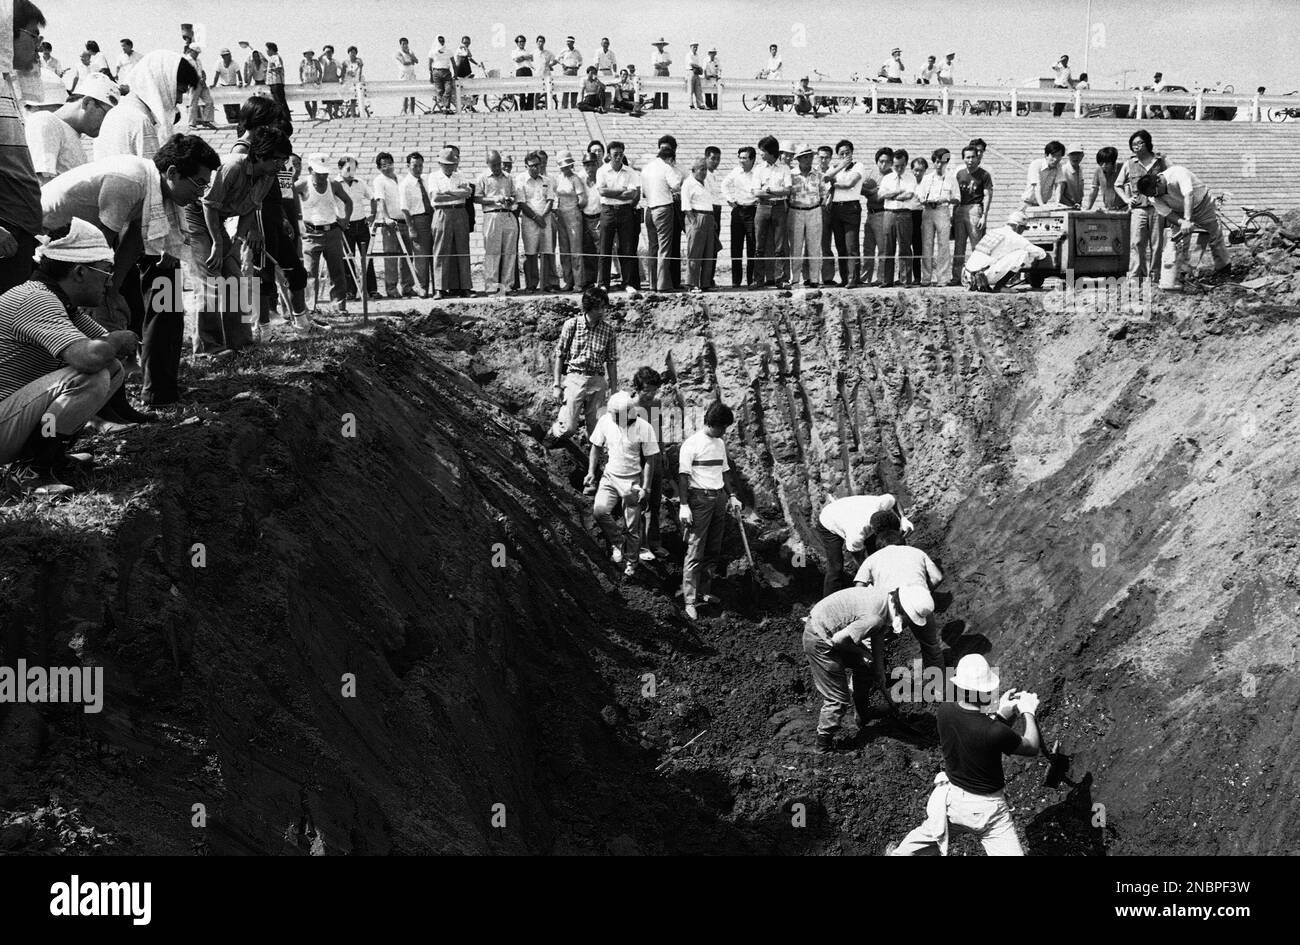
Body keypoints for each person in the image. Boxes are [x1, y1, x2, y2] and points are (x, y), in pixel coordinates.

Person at [40, 134, 219, 410]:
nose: (200, 193)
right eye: (199, 183)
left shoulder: (152, 187)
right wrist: (104, 293)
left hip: (85, 245)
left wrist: (113, 286)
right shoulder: (130, 180)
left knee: (130, 308)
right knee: (104, 320)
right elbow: (100, 245)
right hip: (49, 237)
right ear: (172, 172)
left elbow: (133, 239)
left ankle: (131, 401)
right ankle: (102, 411)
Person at [0, 219, 137, 495]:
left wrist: (116, 343)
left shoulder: (59, 300)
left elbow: (106, 350)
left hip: (9, 418)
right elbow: (89, 358)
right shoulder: (36, 299)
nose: (109, 285)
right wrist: (117, 339)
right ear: (79, 272)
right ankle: (29, 470)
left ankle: (49, 457)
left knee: (111, 368)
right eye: (107, 274)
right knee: (93, 374)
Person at [889, 655, 1040, 856]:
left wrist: (1000, 714)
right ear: (987, 689)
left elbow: (977, 733)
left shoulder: (945, 709)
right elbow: (1031, 747)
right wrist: (1028, 711)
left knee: (925, 838)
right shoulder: (994, 731)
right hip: (989, 812)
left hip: (953, 802)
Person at [186, 125, 291, 353]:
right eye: (278, 160)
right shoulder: (233, 166)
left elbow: (250, 209)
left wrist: (236, 241)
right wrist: (217, 242)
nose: (281, 165)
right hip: (197, 216)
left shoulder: (267, 177)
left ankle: (240, 342)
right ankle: (207, 349)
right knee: (209, 278)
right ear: (261, 155)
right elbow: (208, 205)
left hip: (220, 222)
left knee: (233, 276)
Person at [802, 585, 898, 750]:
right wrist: (861, 653)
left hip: (832, 630)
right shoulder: (874, 617)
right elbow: (839, 640)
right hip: (819, 638)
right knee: (838, 698)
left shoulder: (884, 601)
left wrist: (879, 670)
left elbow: (877, 636)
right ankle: (822, 745)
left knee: (867, 668)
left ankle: (863, 716)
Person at [678, 400, 742, 620]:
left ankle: (704, 591)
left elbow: (724, 471)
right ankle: (689, 600)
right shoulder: (692, 444)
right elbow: (683, 477)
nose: (724, 431)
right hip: (699, 499)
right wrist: (684, 505)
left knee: (713, 549)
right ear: (713, 423)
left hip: (718, 499)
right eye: (722, 427)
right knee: (695, 550)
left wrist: (732, 495)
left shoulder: (719, 443)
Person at [1, 0, 49, 295]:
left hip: (18, 234)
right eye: (33, 35)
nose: (39, 44)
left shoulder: (7, 85)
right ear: (6, 34)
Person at [587, 390, 659, 577]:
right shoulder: (606, 421)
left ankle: (631, 563)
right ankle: (619, 542)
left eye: (617, 416)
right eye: (612, 415)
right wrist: (590, 472)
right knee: (599, 511)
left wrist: (646, 487)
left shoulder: (644, 427)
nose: (614, 419)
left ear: (629, 413)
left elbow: (651, 459)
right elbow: (596, 446)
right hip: (610, 477)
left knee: (632, 527)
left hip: (632, 480)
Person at [853, 536, 943, 672]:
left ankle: (862, 683)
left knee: (868, 648)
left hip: (890, 609)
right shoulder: (916, 552)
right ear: (903, 543)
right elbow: (937, 577)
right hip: (919, 605)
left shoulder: (871, 559)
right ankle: (938, 687)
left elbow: (858, 589)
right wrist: (923, 594)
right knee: (931, 646)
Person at [1138, 166, 1230, 290]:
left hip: (1202, 204)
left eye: (1154, 192)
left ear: (1159, 181)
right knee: (1179, 243)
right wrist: (1182, 222)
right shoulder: (1152, 196)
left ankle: (1224, 270)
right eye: (1151, 195)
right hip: (1178, 212)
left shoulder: (1178, 173)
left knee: (1213, 235)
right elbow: (1167, 213)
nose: (1154, 196)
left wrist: (1187, 219)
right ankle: (1182, 275)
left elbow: (1189, 195)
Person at [547, 285, 617, 443]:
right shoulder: (572, 325)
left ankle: (594, 465)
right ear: (588, 307)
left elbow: (611, 362)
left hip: (598, 382)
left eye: (603, 308)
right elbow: (560, 355)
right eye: (598, 308)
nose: (601, 312)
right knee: (568, 427)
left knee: (597, 433)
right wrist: (557, 385)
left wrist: (614, 390)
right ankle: (551, 437)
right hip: (575, 379)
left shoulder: (609, 331)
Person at [815, 493, 913, 597]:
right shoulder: (856, 534)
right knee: (836, 566)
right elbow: (860, 558)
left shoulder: (880, 504)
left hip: (849, 510)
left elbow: (895, 498)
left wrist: (903, 518)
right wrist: (869, 577)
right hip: (829, 521)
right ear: (874, 531)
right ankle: (829, 602)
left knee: (877, 553)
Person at [25, 73, 117, 182]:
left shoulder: (70, 132)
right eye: (106, 114)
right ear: (87, 103)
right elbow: (42, 182)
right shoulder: (46, 121)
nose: (107, 123)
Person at [632, 365, 683, 559]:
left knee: (654, 502)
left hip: (653, 456)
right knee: (638, 501)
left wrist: (661, 452)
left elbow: (657, 430)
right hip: (636, 459)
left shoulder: (654, 404)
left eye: (654, 390)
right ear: (637, 388)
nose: (650, 394)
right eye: (647, 390)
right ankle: (640, 546)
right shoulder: (629, 408)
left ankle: (654, 542)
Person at [1114, 129, 1167, 281]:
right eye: (1133, 144)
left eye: (1140, 143)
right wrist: (1126, 199)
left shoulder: (1159, 161)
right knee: (1136, 243)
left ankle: (1155, 276)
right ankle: (1135, 276)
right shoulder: (1129, 164)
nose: (1137, 147)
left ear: (1148, 143)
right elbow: (1117, 185)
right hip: (1139, 209)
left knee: (1157, 244)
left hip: (1158, 207)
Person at [596, 141, 642, 296]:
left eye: (621, 154)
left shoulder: (630, 172)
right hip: (608, 210)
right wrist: (621, 191)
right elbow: (602, 191)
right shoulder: (602, 171)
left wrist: (613, 192)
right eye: (615, 154)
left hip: (625, 211)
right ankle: (603, 284)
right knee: (605, 247)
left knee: (627, 248)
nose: (618, 157)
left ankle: (628, 282)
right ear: (609, 155)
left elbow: (632, 194)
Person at [427, 146, 473, 299]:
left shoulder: (460, 175)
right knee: (441, 250)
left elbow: (467, 193)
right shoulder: (433, 177)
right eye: (445, 164)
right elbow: (436, 197)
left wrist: (447, 192)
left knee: (462, 248)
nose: (449, 167)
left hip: (460, 212)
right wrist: (456, 193)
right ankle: (440, 288)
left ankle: (465, 286)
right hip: (442, 213)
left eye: (451, 164)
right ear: (440, 164)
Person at [817, 140, 864, 288]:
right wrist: (840, 167)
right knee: (840, 246)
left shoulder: (858, 166)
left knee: (851, 245)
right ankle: (844, 278)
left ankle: (853, 278)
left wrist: (834, 183)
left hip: (851, 208)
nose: (845, 156)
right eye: (841, 154)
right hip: (836, 208)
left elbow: (850, 183)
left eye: (847, 153)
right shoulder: (837, 168)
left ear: (852, 152)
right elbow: (825, 178)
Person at [962, 214, 1049, 291]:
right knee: (1023, 254)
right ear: (1018, 227)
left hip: (968, 276)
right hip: (982, 276)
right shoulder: (1015, 237)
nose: (1023, 232)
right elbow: (1040, 253)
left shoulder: (993, 231)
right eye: (1023, 228)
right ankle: (1000, 286)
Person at [641, 141, 683, 292]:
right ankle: (663, 284)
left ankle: (653, 283)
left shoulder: (646, 168)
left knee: (653, 247)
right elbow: (676, 186)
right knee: (664, 248)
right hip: (663, 208)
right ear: (671, 159)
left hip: (649, 209)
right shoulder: (667, 168)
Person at [372, 151, 415, 298]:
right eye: (384, 165)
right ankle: (391, 288)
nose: (388, 167)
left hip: (404, 221)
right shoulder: (379, 180)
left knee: (408, 256)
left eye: (390, 164)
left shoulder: (401, 178)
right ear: (379, 167)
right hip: (391, 224)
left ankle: (407, 287)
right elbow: (380, 200)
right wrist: (386, 217)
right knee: (391, 256)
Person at [476, 149, 518, 295]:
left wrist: (510, 200)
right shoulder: (483, 177)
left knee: (510, 252)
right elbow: (477, 197)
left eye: (499, 164)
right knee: (492, 253)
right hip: (492, 215)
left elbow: (514, 195)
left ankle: (507, 285)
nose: (497, 167)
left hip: (507, 214)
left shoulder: (509, 177)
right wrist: (494, 199)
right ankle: (492, 287)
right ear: (488, 164)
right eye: (493, 164)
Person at [916, 147, 959, 286]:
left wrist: (945, 199)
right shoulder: (927, 178)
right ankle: (926, 277)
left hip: (942, 211)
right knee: (927, 244)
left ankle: (942, 278)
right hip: (928, 211)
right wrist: (923, 200)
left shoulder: (951, 179)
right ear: (933, 162)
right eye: (937, 162)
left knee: (943, 245)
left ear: (947, 163)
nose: (939, 165)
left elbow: (957, 198)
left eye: (942, 162)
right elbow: (919, 195)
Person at [336, 155, 376, 301]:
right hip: (345, 226)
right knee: (348, 258)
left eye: (353, 168)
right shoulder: (335, 183)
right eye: (347, 168)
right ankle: (350, 291)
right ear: (340, 168)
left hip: (362, 223)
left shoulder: (360, 183)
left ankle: (372, 289)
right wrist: (338, 220)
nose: (350, 171)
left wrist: (373, 214)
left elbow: (372, 197)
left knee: (367, 257)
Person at [951, 144, 992, 285]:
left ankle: (978, 277)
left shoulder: (984, 174)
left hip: (975, 208)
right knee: (959, 245)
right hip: (960, 208)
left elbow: (987, 195)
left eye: (973, 157)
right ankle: (957, 277)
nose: (970, 160)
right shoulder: (959, 174)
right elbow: (955, 194)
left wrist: (984, 215)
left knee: (977, 245)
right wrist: (953, 213)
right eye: (967, 157)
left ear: (977, 157)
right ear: (963, 158)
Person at [517, 149, 557, 293]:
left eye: (537, 165)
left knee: (546, 251)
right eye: (532, 165)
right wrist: (535, 217)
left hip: (545, 219)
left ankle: (546, 283)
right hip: (529, 220)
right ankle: (531, 284)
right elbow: (521, 203)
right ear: (526, 166)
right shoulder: (521, 179)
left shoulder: (547, 180)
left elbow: (550, 200)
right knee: (531, 253)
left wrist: (543, 216)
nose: (535, 168)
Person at [753, 136, 791, 287]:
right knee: (759, 245)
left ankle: (781, 279)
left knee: (780, 245)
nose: (761, 154)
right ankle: (758, 279)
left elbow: (788, 191)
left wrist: (769, 190)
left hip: (779, 208)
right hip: (762, 207)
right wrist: (777, 192)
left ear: (770, 152)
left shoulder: (784, 168)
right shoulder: (759, 169)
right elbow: (756, 192)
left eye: (763, 151)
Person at [879, 149, 918, 287]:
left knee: (904, 247)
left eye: (902, 165)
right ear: (892, 164)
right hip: (889, 213)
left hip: (904, 214)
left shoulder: (911, 178)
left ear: (906, 163)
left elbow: (909, 195)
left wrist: (892, 196)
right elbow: (881, 195)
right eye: (896, 166)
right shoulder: (887, 178)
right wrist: (898, 192)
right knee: (887, 247)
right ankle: (886, 280)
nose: (899, 168)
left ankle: (906, 279)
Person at [723, 145, 760, 287]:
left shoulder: (758, 173)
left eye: (745, 158)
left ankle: (751, 280)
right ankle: (736, 280)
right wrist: (730, 200)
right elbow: (724, 185)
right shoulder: (735, 171)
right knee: (736, 246)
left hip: (753, 211)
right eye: (740, 158)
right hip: (738, 211)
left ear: (752, 160)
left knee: (752, 246)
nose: (741, 161)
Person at [399, 150, 434, 297]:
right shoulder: (405, 184)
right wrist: (411, 228)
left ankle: (438, 286)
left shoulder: (426, 179)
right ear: (408, 166)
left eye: (420, 166)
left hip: (432, 217)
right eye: (415, 166)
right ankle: (422, 286)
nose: (418, 169)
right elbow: (405, 209)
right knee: (421, 256)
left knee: (435, 252)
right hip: (418, 219)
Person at [786, 143, 822, 288]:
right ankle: (795, 279)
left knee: (814, 246)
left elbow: (825, 192)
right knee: (796, 246)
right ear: (798, 159)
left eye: (810, 157)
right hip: (796, 211)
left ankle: (814, 279)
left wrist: (820, 205)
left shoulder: (818, 174)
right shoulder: (791, 174)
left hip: (814, 210)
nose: (808, 160)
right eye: (804, 157)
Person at [552, 150, 588, 292]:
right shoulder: (558, 178)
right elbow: (555, 196)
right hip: (561, 215)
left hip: (573, 215)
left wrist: (575, 210)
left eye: (567, 165)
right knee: (564, 249)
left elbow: (583, 199)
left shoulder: (575, 179)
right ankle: (568, 281)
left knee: (576, 250)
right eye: (562, 166)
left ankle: (579, 282)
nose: (565, 168)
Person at [680, 156, 716, 293]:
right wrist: (694, 222)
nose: (704, 172)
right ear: (694, 170)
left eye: (705, 169)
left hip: (708, 217)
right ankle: (692, 283)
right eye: (701, 169)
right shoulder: (688, 183)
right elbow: (686, 205)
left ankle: (705, 283)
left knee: (708, 252)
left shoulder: (706, 182)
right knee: (695, 252)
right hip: (696, 216)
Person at [860, 146, 892, 286]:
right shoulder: (872, 173)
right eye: (880, 161)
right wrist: (872, 190)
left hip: (882, 213)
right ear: (876, 161)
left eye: (886, 162)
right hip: (870, 213)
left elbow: (880, 197)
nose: (883, 164)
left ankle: (882, 278)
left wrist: (870, 191)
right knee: (868, 248)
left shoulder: (892, 176)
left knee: (883, 249)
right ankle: (865, 278)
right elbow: (860, 189)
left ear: (891, 162)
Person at [1021, 140, 1068, 212]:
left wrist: (1057, 202)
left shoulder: (1059, 167)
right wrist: (1042, 206)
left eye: (1059, 156)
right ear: (1046, 155)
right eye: (1053, 156)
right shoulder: (1036, 164)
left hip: (1043, 205)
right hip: (1027, 204)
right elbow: (1037, 186)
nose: (1055, 159)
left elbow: (1058, 185)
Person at [579, 152, 602, 289]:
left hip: (599, 216)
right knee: (587, 250)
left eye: (592, 164)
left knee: (600, 250)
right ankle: (589, 280)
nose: (589, 167)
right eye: (586, 164)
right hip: (585, 217)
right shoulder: (580, 178)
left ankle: (600, 280)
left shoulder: (601, 176)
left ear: (596, 164)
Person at [1085, 146, 1124, 211]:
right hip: (1109, 209)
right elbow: (1094, 190)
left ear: (1113, 162)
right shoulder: (1098, 170)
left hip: (1124, 208)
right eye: (1101, 163)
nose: (1103, 165)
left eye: (1107, 163)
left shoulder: (1123, 168)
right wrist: (1088, 208)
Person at [186, 45, 216, 129]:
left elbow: (202, 71)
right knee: (193, 103)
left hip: (202, 83)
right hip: (193, 83)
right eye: (196, 52)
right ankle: (191, 123)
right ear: (191, 51)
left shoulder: (198, 60)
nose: (197, 54)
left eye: (198, 53)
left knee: (209, 101)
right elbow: (188, 73)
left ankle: (206, 120)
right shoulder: (186, 60)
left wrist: (204, 78)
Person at [212, 49, 244, 124]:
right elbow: (216, 75)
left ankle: (238, 120)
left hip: (233, 85)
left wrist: (240, 82)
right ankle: (230, 120)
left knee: (235, 104)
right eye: (226, 55)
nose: (229, 56)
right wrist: (214, 84)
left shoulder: (234, 63)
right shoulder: (219, 63)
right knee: (227, 105)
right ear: (223, 56)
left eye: (229, 54)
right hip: (223, 86)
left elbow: (238, 74)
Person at [428, 36, 453, 113]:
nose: (441, 42)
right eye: (440, 41)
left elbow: (453, 63)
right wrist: (431, 75)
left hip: (446, 71)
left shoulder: (448, 51)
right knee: (439, 91)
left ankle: (444, 104)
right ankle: (446, 107)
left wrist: (455, 73)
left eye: (443, 41)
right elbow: (429, 64)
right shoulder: (432, 51)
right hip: (436, 72)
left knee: (448, 89)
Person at [511, 34, 535, 110]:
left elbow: (532, 58)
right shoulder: (514, 51)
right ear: (517, 43)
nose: (522, 43)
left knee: (531, 89)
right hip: (520, 70)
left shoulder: (527, 51)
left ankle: (529, 107)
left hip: (528, 70)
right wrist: (525, 57)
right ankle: (522, 107)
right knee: (522, 90)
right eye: (520, 41)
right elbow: (517, 60)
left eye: (523, 41)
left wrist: (523, 57)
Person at [558, 36, 583, 108]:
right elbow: (557, 58)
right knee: (565, 89)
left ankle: (573, 105)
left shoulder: (577, 51)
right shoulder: (564, 51)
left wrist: (578, 66)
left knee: (574, 89)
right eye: (567, 41)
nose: (568, 43)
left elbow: (580, 60)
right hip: (566, 71)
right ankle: (564, 106)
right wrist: (562, 64)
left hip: (574, 71)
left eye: (570, 41)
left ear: (573, 42)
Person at [395, 38, 418, 115]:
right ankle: (405, 112)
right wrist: (411, 61)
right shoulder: (398, 53)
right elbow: (404, 62)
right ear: (400, 44)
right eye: (403, 44)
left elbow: (416, 61)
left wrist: (410, 55)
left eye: (406, 44)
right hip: (403, 75)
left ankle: (412, 112)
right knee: (405, 94)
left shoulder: (410, 52)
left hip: (411, 74)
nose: (405, 45)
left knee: (412, 94)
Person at [318, 45, 342, 119]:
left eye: (329, 52)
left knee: (336, 100)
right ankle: (330, 115)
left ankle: (336, 113)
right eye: (327, 52)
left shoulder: (336, 61)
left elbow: (342, 68)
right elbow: (319, 58)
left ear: (332, 52)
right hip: (326, 83)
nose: (328, 53)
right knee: (328, 101)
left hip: (335, 82)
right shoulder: (324, 60)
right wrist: (324, 53)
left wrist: (340, 76)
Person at [341, 46, 365, 117]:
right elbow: (343, 72)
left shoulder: (359, 61)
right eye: (351, 52)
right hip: (348, 81)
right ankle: (350, 113)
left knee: (354, 98)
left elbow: (360, 70)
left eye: (354, 52)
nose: (352, 54)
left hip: (356, 81)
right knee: (349, 97)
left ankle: (353, 114)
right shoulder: (345, 62)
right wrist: (341, 79)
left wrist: (359, 79)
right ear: (348, 53)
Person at [299, 49, 322, 121]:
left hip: (314, 83)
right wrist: (301, 80)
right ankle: (311, 115)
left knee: (314, 101)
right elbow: (300, 72)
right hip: (306, 83)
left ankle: (314, 116)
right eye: (307, 54)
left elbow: (320, 71)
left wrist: (319, 80)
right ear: (304, 55)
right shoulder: (303, 62)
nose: (309, 56)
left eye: (310, 54)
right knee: (306, 102)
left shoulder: (315, 62)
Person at [265, 42, 287, 113]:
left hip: (277, 82)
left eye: (267, 50)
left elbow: (279, 67)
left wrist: (271, 70)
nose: (267, 52)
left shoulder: (275, 57)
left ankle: (285, 116)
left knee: (280, 101)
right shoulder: (272, 58)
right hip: (273, 82)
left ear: (271, 50)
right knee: (277, 101)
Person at [650, 38, 671, 109]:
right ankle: (657, 105)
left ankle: (665, 105)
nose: (660, 46)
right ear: (657, 45)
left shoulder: (667, 53)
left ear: (663, 45)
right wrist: (663, 64)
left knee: (665, 88)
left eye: (661, 44)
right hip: (657, 71)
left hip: (665, 71)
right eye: (659, 44)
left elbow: (669, 62)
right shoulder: (654, 54)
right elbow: (654, 63)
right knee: (657, 87)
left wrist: (663, 64)